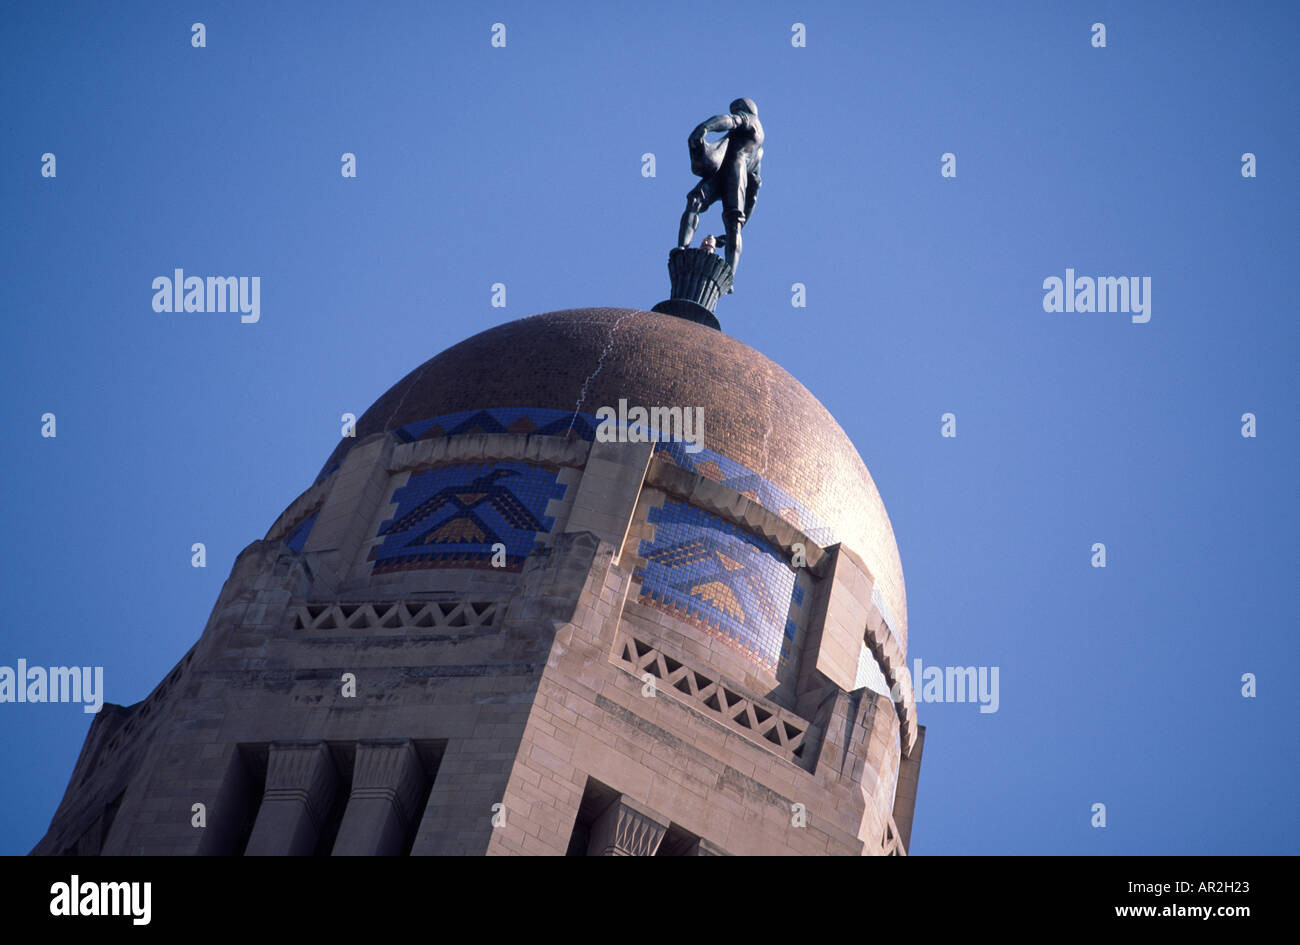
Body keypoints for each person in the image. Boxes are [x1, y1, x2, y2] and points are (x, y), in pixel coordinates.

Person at [677, 98, 764, 283]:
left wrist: (704, 128)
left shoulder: (751, 122)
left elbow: (728, 120)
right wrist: (742, 223)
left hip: (735, 171)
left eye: (736, 110)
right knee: (696, 201)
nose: (735, 113)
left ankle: (728, 276)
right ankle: (682, 249)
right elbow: (754, 192)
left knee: (732, 220)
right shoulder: (756, 151)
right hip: (722, 170)